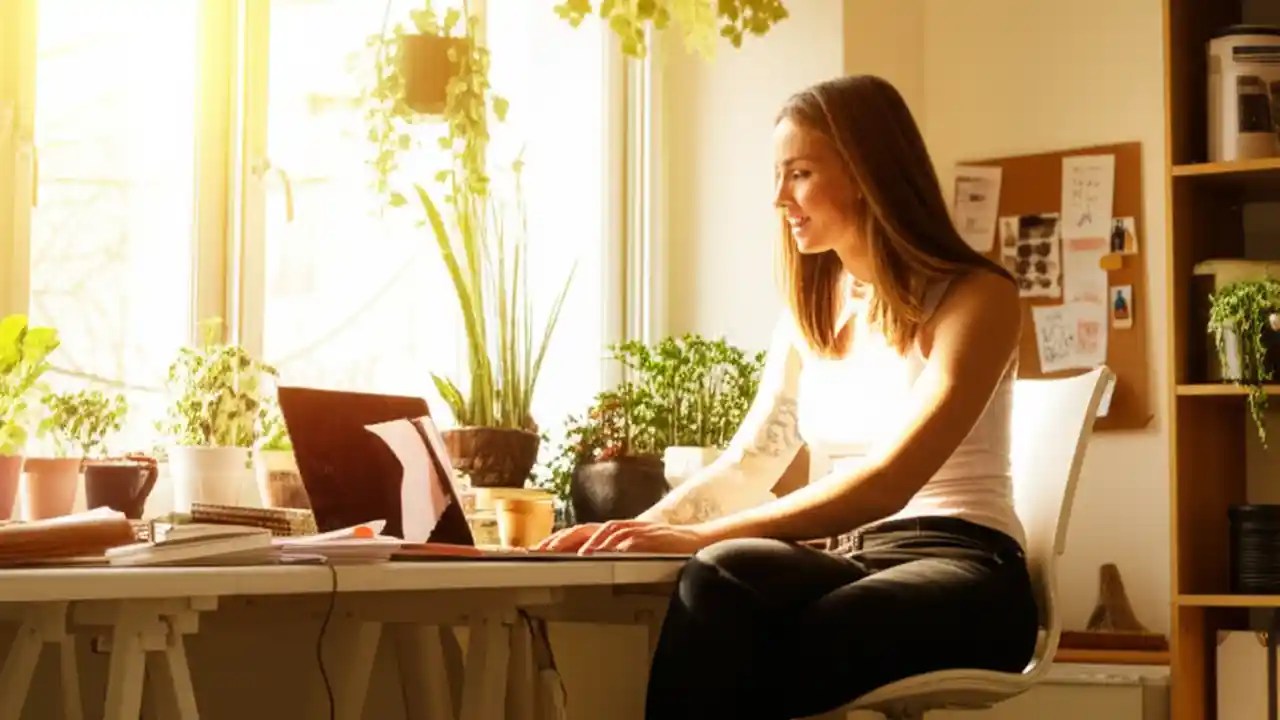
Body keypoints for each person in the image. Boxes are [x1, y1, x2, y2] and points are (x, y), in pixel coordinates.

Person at [535, 74, 1038, 720]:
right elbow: (750, 465)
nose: (779, 198)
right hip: (860, 558)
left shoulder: (977, 297)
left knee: (805, 630)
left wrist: (697, 536)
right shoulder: (810, 317)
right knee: (715, 580)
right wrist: (644, 531)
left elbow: (890, 482)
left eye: (798, 173)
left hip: (969, 567)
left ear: (865, 171)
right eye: (779, 176)